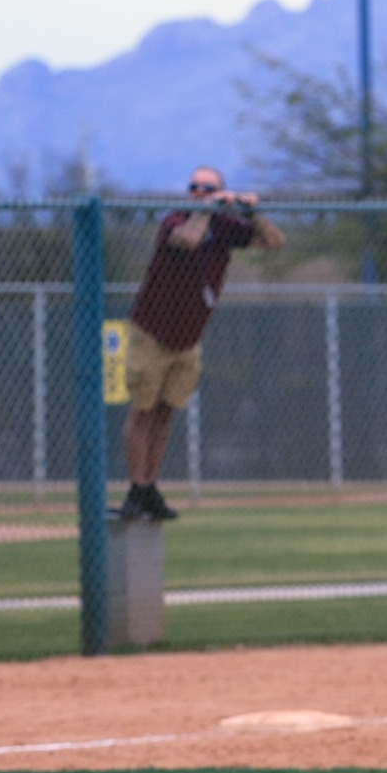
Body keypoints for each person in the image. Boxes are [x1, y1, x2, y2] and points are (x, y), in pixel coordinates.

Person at [118, 166, 284, 520]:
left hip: (188, 337)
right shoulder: (175, 222)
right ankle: (136, 488)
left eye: (209, 188)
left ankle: (150, 487)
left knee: (166, 412)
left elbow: (273, 242)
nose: (200, 192)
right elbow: (190, 239)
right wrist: (207, 208)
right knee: (143, 410)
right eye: (195, 187)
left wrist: (250, 211)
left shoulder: (224, 229)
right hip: (153, 332)